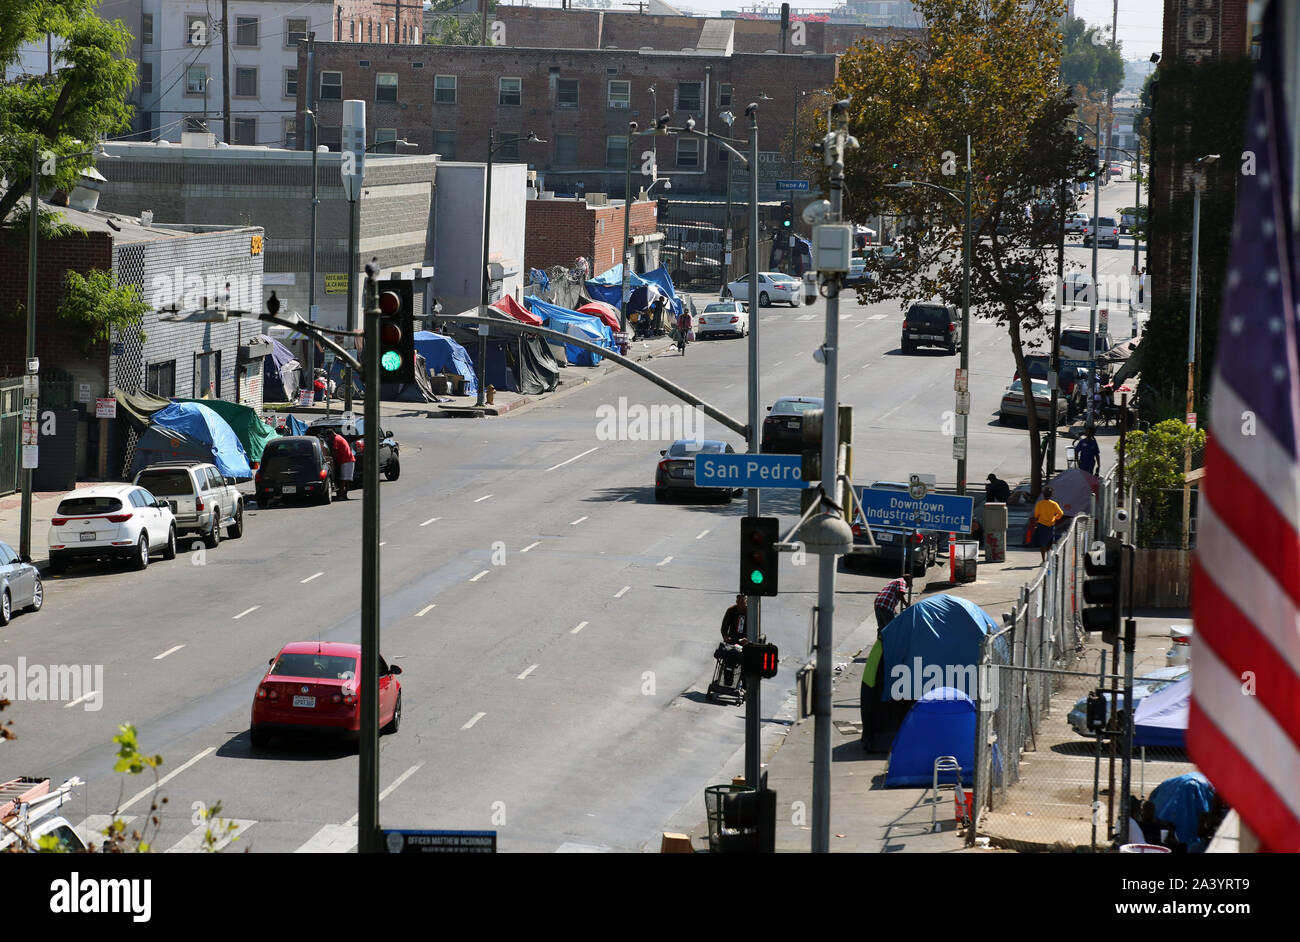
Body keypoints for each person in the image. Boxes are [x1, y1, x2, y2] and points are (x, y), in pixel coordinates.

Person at [1032, 485, 1065, 562]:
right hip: (1050, 525)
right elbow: (1061, 513)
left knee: (1042, 543)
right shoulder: (1054, 504)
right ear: (1051, 495)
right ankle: (1048, 559)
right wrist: (1055, 517)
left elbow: (1036, 515)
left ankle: (1043, 560)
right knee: (1049, 543)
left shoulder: (1039, 504)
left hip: (1041, 525)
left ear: (1043, 494)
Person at [324, 428, 355, 499]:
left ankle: (342, 496)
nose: (329, 439)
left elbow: (335, 452)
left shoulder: (336, 440)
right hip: (347, 460)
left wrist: (332, 459)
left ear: (331, 434)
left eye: (329, 437)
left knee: (344, 479)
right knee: (346, 479)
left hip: (347, 460)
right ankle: (344, 495)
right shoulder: (338, 436)